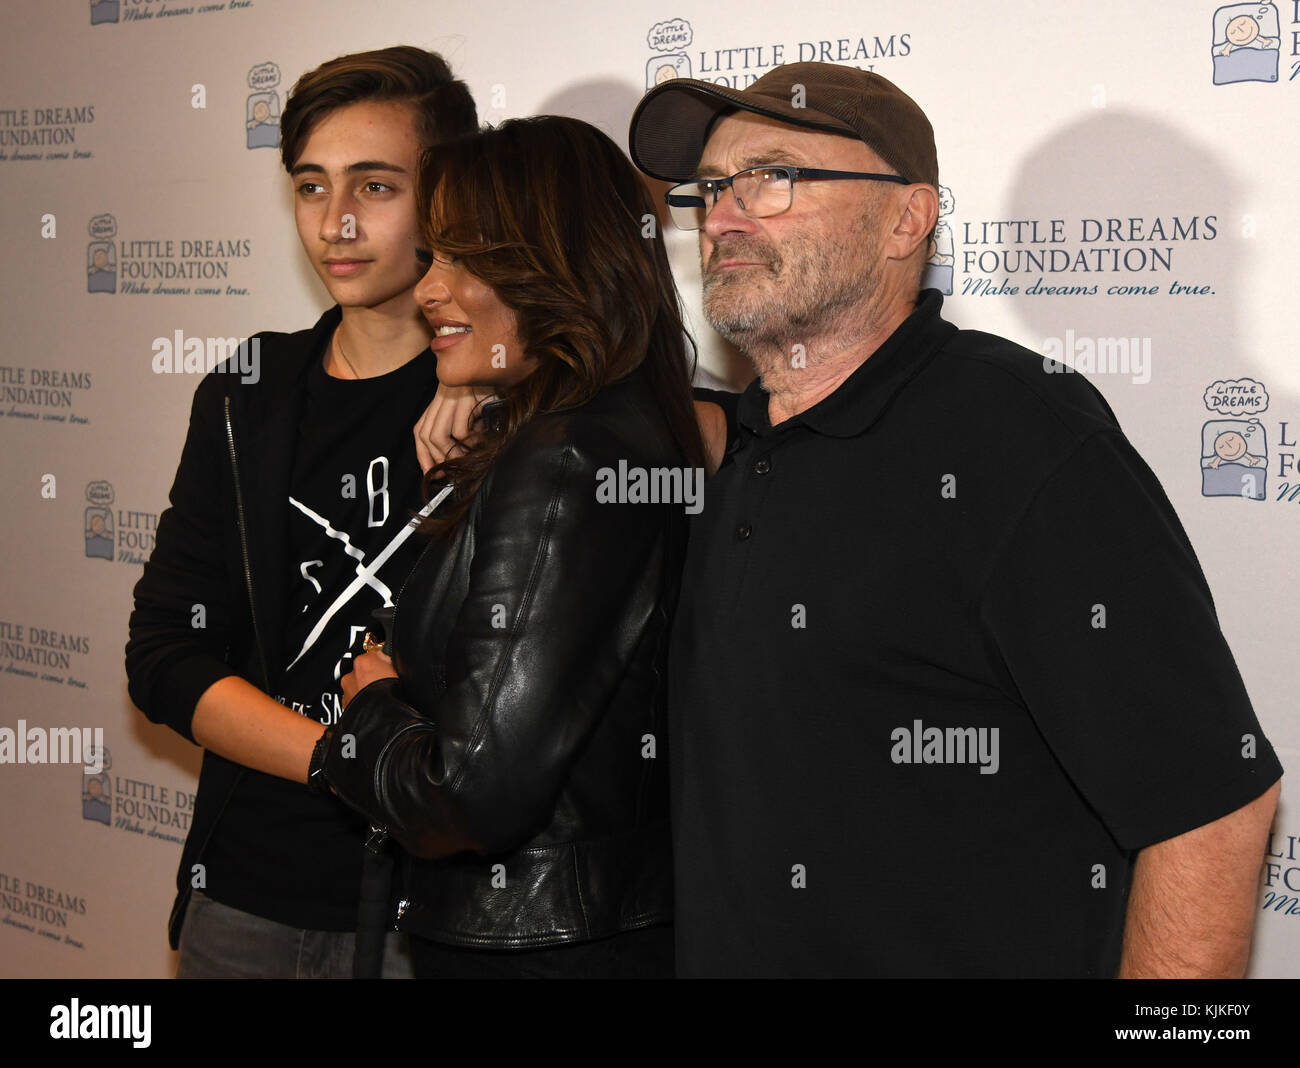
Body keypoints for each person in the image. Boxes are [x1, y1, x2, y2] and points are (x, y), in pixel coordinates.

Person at [626, 62, 1284, 978]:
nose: (723, 217)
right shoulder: (736, 445)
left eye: (773, 178)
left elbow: (1210, 809)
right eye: (711, 188)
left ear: (908, 219)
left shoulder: (1016, 432)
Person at [315, 114, 707, 978]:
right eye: (433, 257)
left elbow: (468, 791)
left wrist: (370, 709)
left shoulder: (567, 459)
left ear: (556, 267)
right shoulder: (617, 429)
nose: (428, 291)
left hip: (533, 948)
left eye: (464, 259)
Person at [124, 46, 479, 978]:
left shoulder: (516, 402)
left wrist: (494, 359)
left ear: (446, 200)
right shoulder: (248, 391)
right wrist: (343, 757)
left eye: (375, 185)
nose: (336, 221)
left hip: (433, 917)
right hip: (243, 896)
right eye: (312, 186)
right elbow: (163, 653)